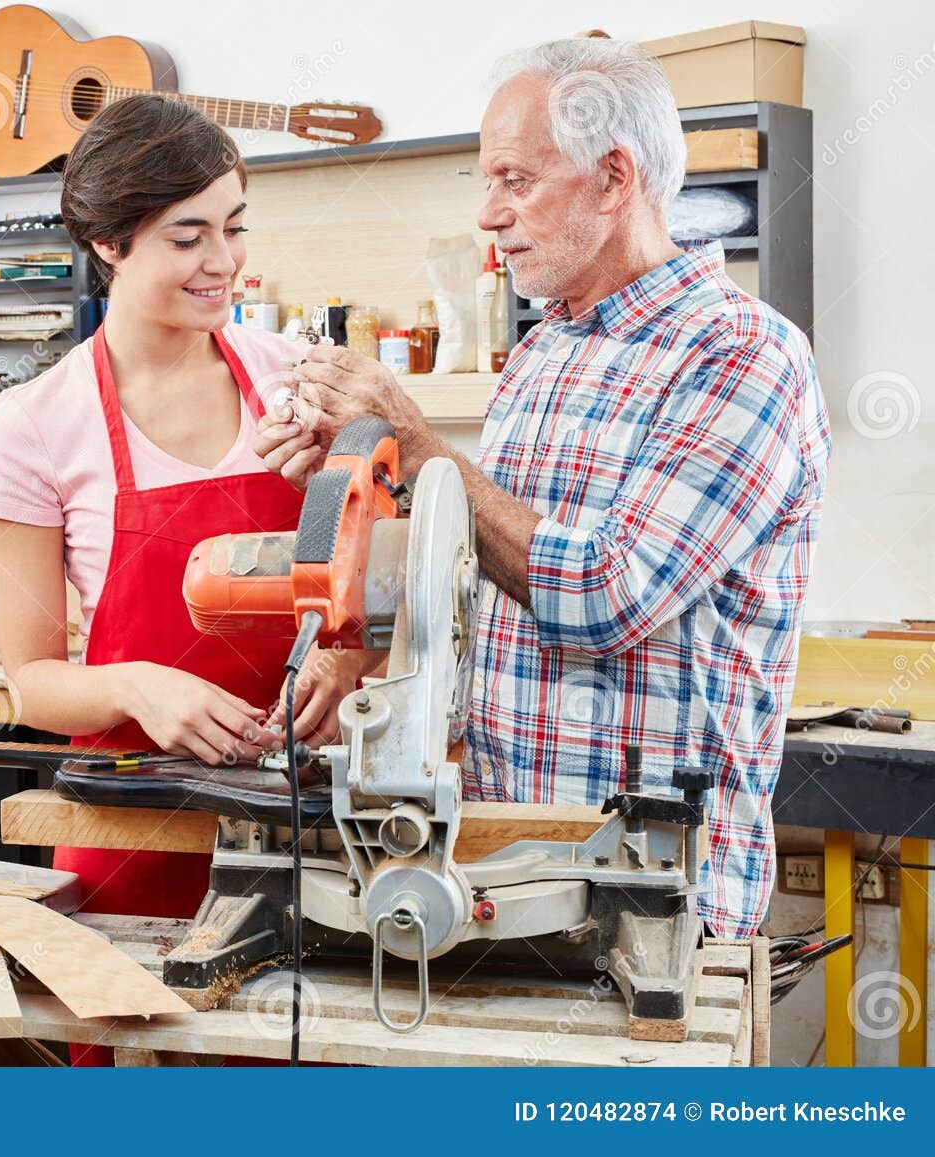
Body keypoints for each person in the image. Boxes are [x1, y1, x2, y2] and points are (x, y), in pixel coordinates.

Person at [255, 38, 830, 940]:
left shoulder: (741, 356)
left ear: (612, 179)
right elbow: (473, 568)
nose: (489, 214)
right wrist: (367, 479)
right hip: (492, 875)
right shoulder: (542, 352)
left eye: (516, 180)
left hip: (650, 907)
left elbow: (604, 592)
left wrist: (419, 444)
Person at [0, 94, 371, 930]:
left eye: (235, 227)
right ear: (108, 244)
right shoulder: (34, 424)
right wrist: (138, 687)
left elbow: (377, 579)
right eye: (188, 238)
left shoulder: (297, 380)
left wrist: (343, 663)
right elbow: (31, 683)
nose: (222, 260)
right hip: (134, 831)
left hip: (304, 823)